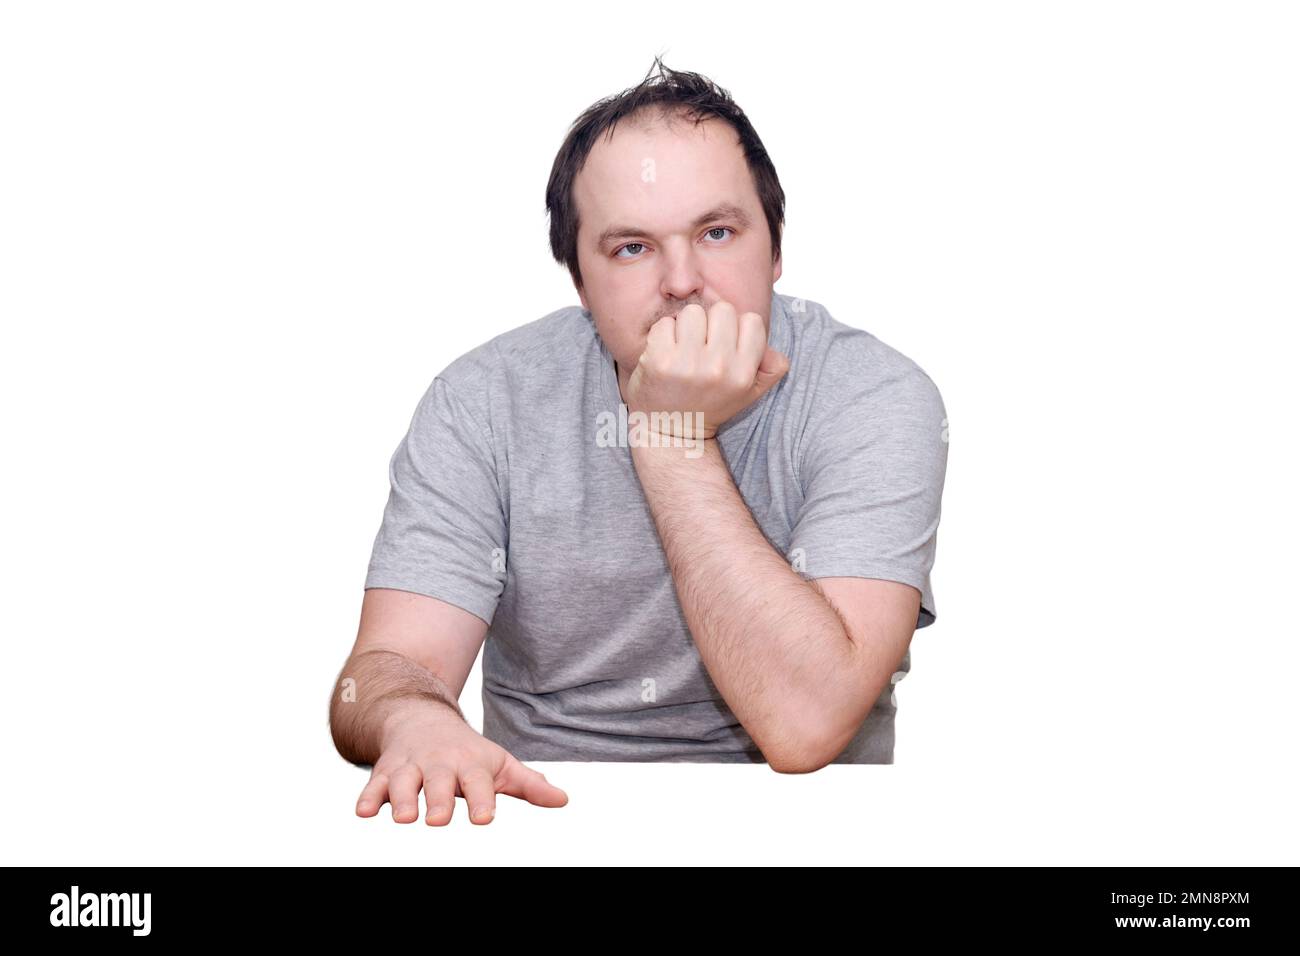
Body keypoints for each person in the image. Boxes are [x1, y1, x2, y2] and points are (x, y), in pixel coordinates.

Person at [329, 57, 949, 825]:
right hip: (545, 813)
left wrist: (670, 436)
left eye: (717, 232)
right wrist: (413, 718)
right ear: (580, 284)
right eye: (632, 248)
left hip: (809, 827)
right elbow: (391, 667)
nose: (683, 279)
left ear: (776, 248)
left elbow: (805, 725)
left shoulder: (873, 396)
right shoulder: (482, 401)